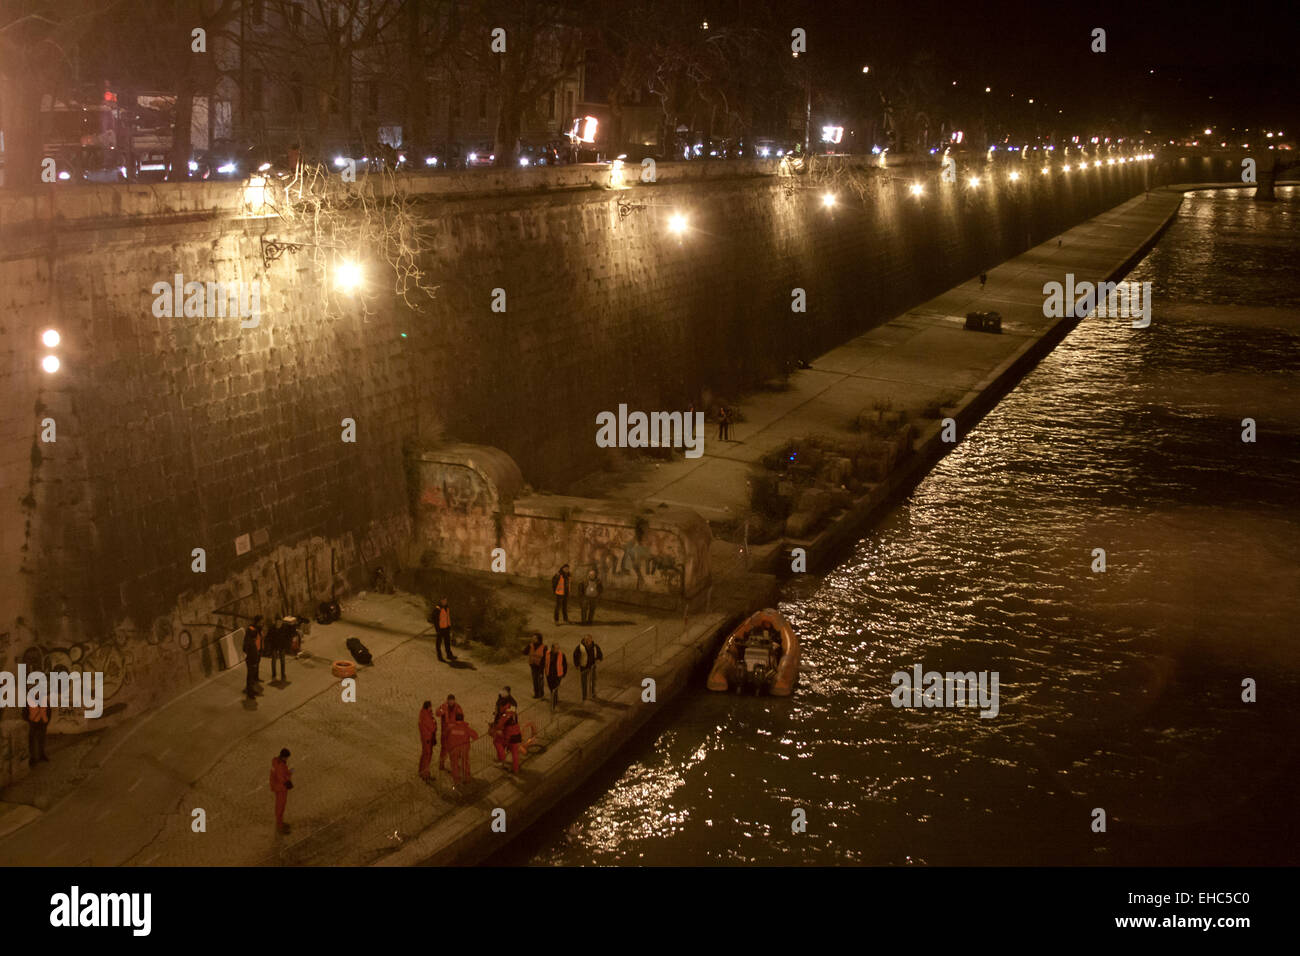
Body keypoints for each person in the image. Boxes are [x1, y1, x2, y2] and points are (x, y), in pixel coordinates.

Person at [444, 714, 478, 787]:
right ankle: (467, 778)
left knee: (454, 765)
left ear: (455, 719)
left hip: (453, 749)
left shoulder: (450, 728)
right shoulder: (466, 728)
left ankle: (456, 780)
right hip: (463, 749)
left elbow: (445, 735)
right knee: (465, 763)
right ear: (462, 719)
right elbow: (475, 736)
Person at [435, 694, 464, 771]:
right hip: (445, 733)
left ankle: (454, 765)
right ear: (447, 700)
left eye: (452, 701)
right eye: (450, 701)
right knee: (444, 749)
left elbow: (461, 718)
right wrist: (442, 711)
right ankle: (441, 764)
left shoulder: (457, 707)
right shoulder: (444, 706)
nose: (451, 702)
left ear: (454, 701)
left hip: (453, 733)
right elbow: (437, 713)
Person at [492, 703, 524, 773]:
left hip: (509, 735)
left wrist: (494, 727)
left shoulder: (505, 715)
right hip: (517, 735)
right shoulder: (513, 713)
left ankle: (502, 759)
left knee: (497, 742)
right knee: (515, 752)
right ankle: (516, 769)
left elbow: (499, 725)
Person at [573, 634, 604, 702]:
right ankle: (584, 696)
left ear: (591, 640)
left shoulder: (595, 646)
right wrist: (577, 664)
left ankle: (593, 694)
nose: (587, 641)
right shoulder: (580, 647)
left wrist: (599, 659)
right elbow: (575, 655)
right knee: (584, 682)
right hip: (584, 667)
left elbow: (600, 654)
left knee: (593, 681)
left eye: (589, 640)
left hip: (592, 666)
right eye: (586, 640)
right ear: (584, 640)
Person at [270, 748, 293, 833]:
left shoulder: (276, 761)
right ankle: (280, 825)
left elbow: (279, 773)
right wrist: (288, 779)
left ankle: (280, 822)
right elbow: (281, 777)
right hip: (281, 788)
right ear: (284, 757)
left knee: (279, 805)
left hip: (277, 786)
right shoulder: (281, 765)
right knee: (281, 805)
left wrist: (288, 772)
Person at [243, 615, 265, 698]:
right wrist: (251, 654)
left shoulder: (257, 630)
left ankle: (251, 690)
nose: (262, 624)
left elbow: (260, 640)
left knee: (252, 675)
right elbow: (247, 645)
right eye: (261, 622)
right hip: (251, 656)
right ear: (257, 622)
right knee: (250, 675)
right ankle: (250, 692)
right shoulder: (251, 630)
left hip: (256, 654)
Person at [23, 700, 49, 766]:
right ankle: (32, 758)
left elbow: (48, 711)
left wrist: (46, 721)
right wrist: (29, 722)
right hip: (33, 723)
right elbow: (24, 712)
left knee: (42, 739)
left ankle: (41, 755)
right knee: (32, 741)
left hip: (42, 722)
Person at [267, 618, 292, 683]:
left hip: (282, 647)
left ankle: (283, 674)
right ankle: (274, 675)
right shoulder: (272, 628)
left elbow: (287, 637)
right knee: (274, 661)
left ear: (281, 622)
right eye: (277, 622)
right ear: (275, 622)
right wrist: (270, 647)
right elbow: (269, 637)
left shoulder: (284, 628)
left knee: (282, 661)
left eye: (280, 622)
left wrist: (286, 645)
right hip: (274, 647)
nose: (278, 623)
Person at [431, 598, 456, 662]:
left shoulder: (447, 608)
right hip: (440, 629)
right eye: (443, 600)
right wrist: (437, 629)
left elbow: (447, 618)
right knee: (438, 643)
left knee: (447, 642)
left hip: (446, 628)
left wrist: (449, 626)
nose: (445, 601)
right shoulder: (437, 609)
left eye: (445, 600)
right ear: (440, 601)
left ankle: (449, 655)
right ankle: (439, 656)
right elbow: (434, 619)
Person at [545, 641, 567, 710]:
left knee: (555, 688)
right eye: (555, 648)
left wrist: (564, 673)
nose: (557, 650)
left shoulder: (562, 655)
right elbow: (544, 662)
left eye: (558, 648)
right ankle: (555, 699)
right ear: (552, 648)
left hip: (558, 675)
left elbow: (565, 665)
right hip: (549, 674)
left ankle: (553, 703)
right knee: (551, 688)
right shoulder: (547, 654)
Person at [418, 700, 437, 781]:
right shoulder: (426, 715)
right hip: (427, 738)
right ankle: (425, 774)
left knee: (425, 754)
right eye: (430, 707)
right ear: (428, 707)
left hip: (426, 737)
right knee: (427, 755)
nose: (431, 708)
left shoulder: (424, 714)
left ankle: (421, 771)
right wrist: (434, 724)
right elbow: (432, 727)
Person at [527, 633, 546, 699]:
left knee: (540, 680)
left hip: (540, 666)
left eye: (535, 638)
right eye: (532, 638)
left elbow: (544, 659)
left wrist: (542, 668)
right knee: (535, 680)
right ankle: (536, 694)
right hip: (533, 666)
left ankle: (541, 694)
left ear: (539, 639)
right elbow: (524, 652)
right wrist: (528, 647)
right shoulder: (531, 645)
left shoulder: (544, 647)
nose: (533, 639)